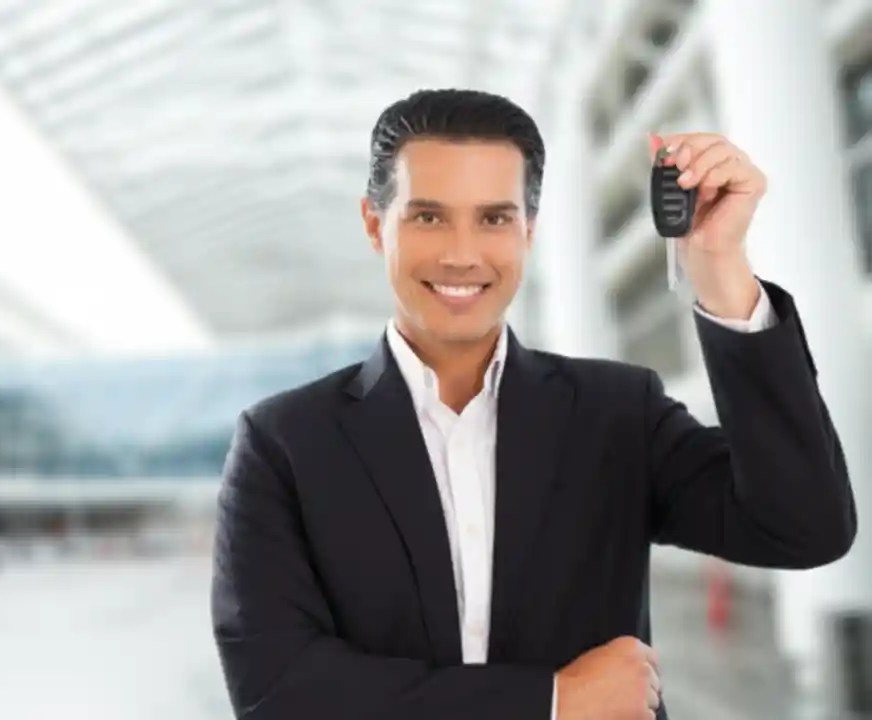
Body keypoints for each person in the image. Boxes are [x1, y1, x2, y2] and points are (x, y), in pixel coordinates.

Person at [209, 88, 857, 720]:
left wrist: (720, 268)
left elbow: (803, 526)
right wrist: (553, 702)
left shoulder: (615, 415)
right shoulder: (285, 444)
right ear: (376, 224)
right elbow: (277, 692)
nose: (463, 254)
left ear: (529, 231)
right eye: (429, 216)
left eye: (493, 218)